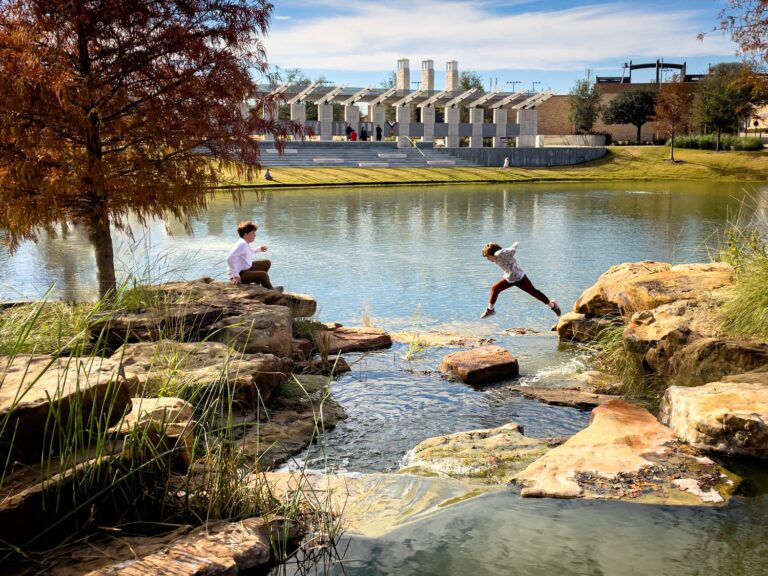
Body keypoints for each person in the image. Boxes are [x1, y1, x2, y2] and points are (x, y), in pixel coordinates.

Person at [480, 241, 560, 319]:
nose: (488, 259)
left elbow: (512, 250)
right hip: (509, 279)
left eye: (488, 257)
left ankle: (553, 306)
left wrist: (515, 244)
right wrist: (513, 245)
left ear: (493, 253)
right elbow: (511, 248)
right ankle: (490, 310)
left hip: (520, 278)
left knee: (535, 293)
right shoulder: (496, 257)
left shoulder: (501, 254)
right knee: (495, 288)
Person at [226, 220, 282, 290]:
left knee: (266, 263)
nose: (255, 235)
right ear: (246, 234)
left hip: (247, 270)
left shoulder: (244, 243)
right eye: (253, 233)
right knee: (263, 275)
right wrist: (235, 276)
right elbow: (229, 258)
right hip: (241, 274)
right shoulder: (242, 244)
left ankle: (257, 285)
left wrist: (259, 249)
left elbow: (247, 252)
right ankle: (272, 290)